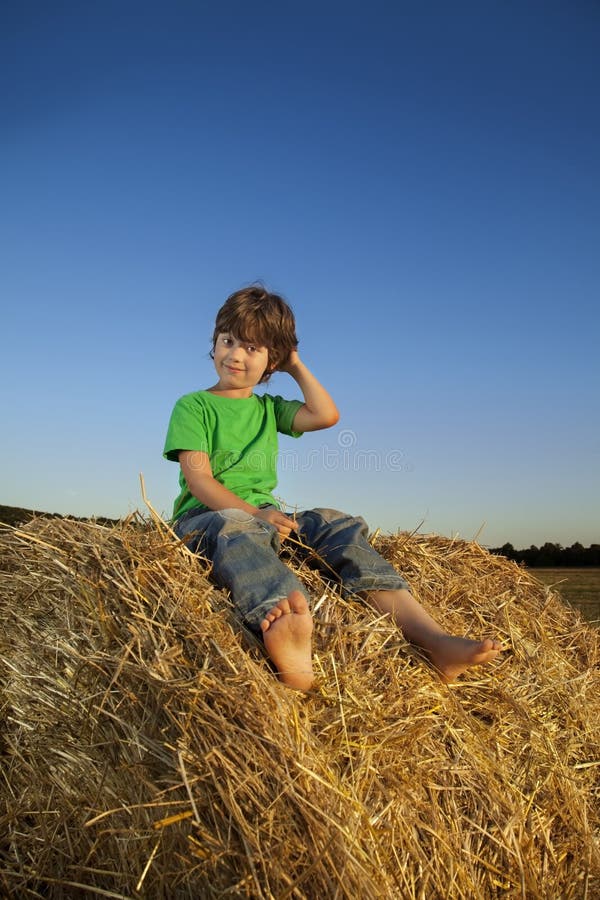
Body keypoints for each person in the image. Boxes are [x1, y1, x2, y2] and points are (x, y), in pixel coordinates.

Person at [163, 285, 502, 691]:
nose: (235, 354)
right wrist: (255, 515)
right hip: (205, 521)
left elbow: (326, 415)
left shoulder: (269, 410)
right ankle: (289, 639)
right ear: (214, 342)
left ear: (271, 362)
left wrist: (295, 365)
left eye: (253, 348)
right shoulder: (194, 405)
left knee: (335, 523)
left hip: (268, 516)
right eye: (228, 341)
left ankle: (432, 639)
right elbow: (199, 479)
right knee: (239, 529)